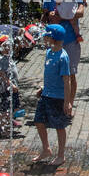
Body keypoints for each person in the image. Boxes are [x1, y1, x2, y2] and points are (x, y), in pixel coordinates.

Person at [42, 0, 86, 105]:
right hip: (54, 43)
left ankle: (69, 104)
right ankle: (57, 101)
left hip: (71, 40)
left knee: (70, 75)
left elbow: (81, 12)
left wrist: (63, 16)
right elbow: (43, 18)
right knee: (54, 74)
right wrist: (49, 16)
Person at [34, 25, 73, 165]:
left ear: (53, 38)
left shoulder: (63, 57)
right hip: (46, 94)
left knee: (59, 126)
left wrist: (67, 101)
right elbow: (48, 74)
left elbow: (67, 80)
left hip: (58, 97)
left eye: (47, 35)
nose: (44, 37)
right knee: (38, 121)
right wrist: (43, 87)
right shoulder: (49, 52)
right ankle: (46, 149)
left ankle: (61, 155)